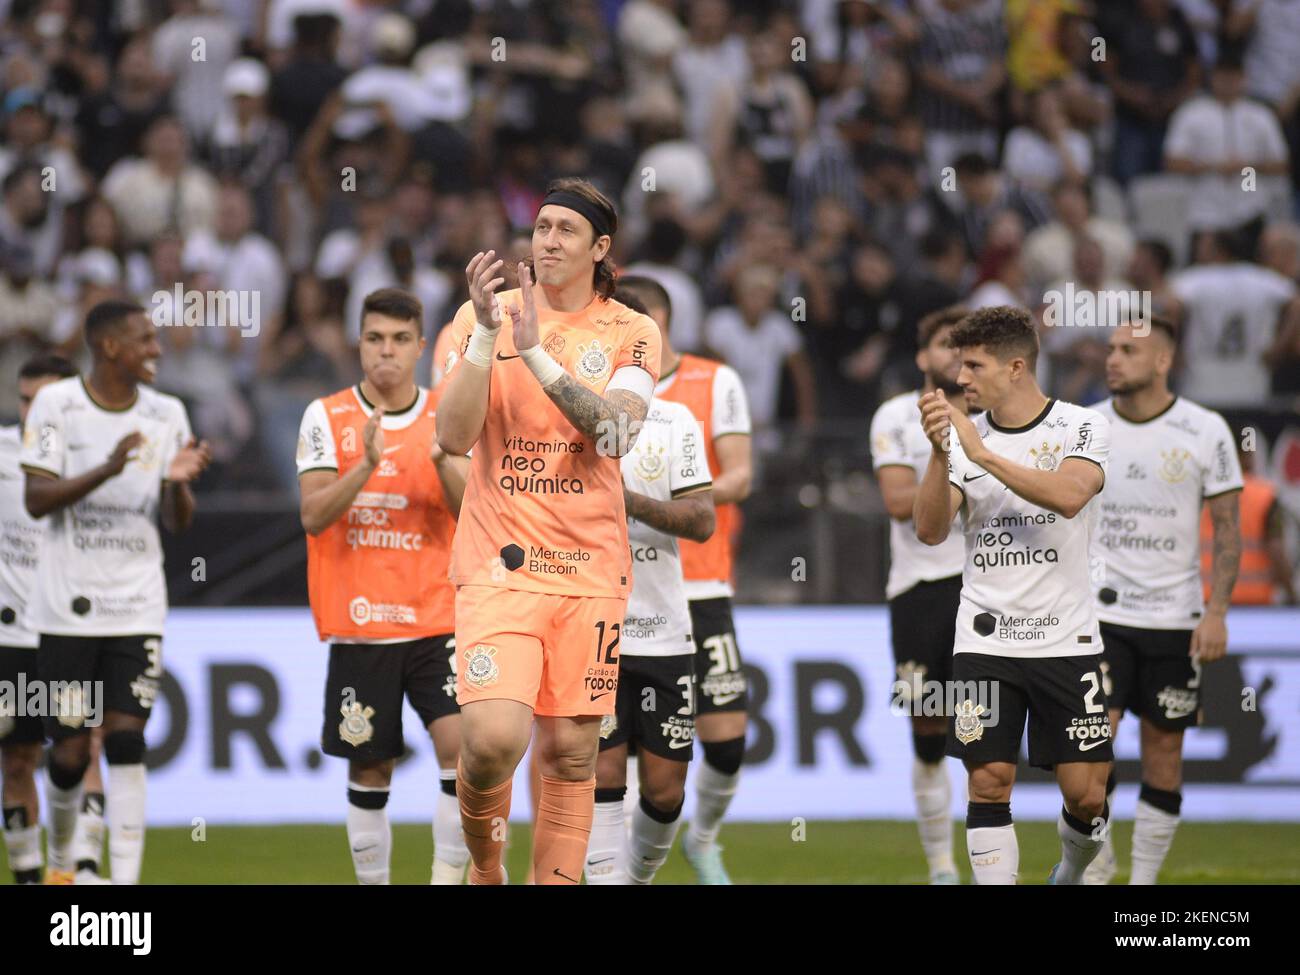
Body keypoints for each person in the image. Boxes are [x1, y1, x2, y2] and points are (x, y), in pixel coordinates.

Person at [435, 178, 661, 885]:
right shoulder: (481, 316)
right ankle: (487, 866)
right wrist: (485, 337)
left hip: (590, 568)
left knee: (570, 750)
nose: (549, 240)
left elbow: (618, 432)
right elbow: (450, 434)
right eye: (542, 228)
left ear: (600, 248)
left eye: (567, 230)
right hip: (499, 566)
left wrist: (537, 356)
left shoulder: (632, 330)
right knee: (493, 740)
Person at [913, 305, 1112, 885]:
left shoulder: (1080, 425)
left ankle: (1070, 874)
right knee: (988, 779)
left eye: (974, 365)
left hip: (1066, 638)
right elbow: (929, 531)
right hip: (984, 637)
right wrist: (938, 451)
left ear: (1016, 367)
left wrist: (981, 454)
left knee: (1086, 797)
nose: (963, 379)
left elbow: (1072, 495)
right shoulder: (964, 440)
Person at [21, 300, 211, 884]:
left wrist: (177, 485)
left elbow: (177, 522)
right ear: (110, 348)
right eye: (145, 339)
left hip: (137, 605)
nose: (156, 349)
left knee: (127, 738)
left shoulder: (167, 412)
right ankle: (59, 865)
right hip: (67, 609)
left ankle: (125, 887)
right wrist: (107, 469)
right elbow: (36, 499)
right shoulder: (56, 405)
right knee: (71, 750)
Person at [297, 287, 471, 885]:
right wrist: (366, 467)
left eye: (400, 340)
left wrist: (443, 457)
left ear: (421, 348)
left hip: (439, 618)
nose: (387, 352)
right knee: (372, 770)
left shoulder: (447, 413)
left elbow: (471, 510)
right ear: (359, 344)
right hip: (362, 624)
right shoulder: (327, 415)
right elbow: (314, 516)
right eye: (375, 339)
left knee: (464, 754)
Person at [1085, 316, 1243, 885]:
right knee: (1091, 755)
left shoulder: (1205, 431)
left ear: (1162, 361)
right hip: (1098, 616)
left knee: (1164, 755)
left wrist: (1217, 610)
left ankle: (1144, 884)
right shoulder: (1086, 427)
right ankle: (1097, 867)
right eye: (1110, 348)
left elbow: (1227, 528)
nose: (1113, 359)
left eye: (1129, 350)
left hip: (1175, 618)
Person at [583, 278, 716, 885]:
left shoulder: (674, 421)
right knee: (604, 775)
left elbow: (702, 520)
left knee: (665, 790)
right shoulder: (571, 414)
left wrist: (626, 501)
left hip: (665, 631)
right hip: (591, 628)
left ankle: (635, 877)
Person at [655, 277, 755, 884]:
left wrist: (668, 500)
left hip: (702, 587)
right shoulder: (601, 393)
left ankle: (704, 838)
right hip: (627, 592)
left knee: (726, 744)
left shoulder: (714, 381)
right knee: (631, 750)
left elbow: (740, 479)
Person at [869, 306, 969, 884]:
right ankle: (941, 867)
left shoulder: (1001, 418)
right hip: (918, 591)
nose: (955, 356)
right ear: (921, 356)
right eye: (943, 345)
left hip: (989, 587)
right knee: (929, 732)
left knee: (988, 731)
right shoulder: (896, 416)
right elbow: (897, 502)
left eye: (965, 347)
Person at [0, 354, 78, 884]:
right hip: (11, 636)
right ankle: (29, 876)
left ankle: (74, 867)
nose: (31, 412)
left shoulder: (93, 456)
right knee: (18, 759)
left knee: (79, 756)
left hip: (73, 633)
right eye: (25, 399)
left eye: (42, 400)